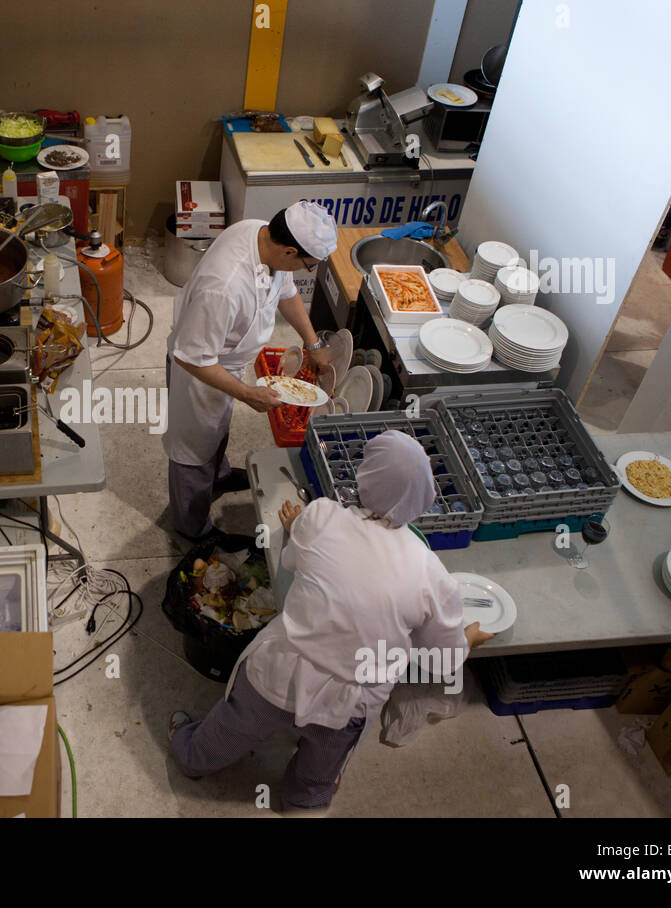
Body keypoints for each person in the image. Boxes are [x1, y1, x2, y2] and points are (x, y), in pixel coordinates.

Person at [169, 430, 495, 811]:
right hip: (348, 702)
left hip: (278, 674)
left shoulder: (322, 516)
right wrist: (467, 639)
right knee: (319, 769)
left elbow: (293, 559)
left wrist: (296, 528)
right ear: (424, 501)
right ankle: (301, 801)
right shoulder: (432, 576)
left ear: (365, 475)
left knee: (230, 728)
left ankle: (191, 755)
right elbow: (444, 660)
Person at [163, 201, 338, 541]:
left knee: (218, 428)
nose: (305, 270)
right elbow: (191, 357)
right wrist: (246, 393)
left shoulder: (263, 235)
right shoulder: (224, 286)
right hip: (200, 373)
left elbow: (285, 293)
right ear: (290, 251)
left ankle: (219, 475)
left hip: (225, 360)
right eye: (308, 265)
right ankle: (192, 528)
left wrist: (312, 343)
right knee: (192, 449)